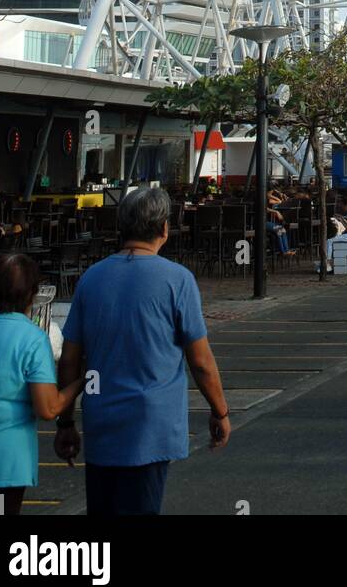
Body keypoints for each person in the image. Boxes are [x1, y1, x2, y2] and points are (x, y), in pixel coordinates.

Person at [55, 187, 230, 515]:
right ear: (164, 228)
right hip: (150, 426)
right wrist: (220, 411)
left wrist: (65, 422)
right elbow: (201, 361)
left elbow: (69, 359)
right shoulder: (177, 280)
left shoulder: (91, 279)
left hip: (101, 422)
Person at [0, 255, 82, 514]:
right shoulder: (32, 338)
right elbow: (48, 408)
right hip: (2, 465)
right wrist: (81, 381)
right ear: (32, 294)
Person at [267, 189, 297, 259]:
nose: (271, 193)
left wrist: (277, 194)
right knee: (279, 229)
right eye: (270, 192)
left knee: (282, 229)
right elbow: (265, 208)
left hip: (267, 222)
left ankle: (286, 251)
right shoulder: (262, 198)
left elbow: (278, 202)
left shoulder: (265, 198)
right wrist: (276, 212)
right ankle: (283, 252)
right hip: (262, 222)